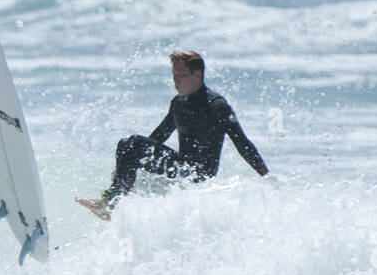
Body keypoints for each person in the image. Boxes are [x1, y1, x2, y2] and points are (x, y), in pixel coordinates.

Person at [76, 51, 268, 219]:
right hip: (182, 165)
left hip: (200, 174)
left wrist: (264, 175)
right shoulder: (178, 103)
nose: (176, 81)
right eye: (174, 76)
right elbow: (158, 136)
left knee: (135, 142)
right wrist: (125, 161)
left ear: (198, 74)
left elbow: (242, 142)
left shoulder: (217, 105)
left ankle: (112, 202)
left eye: (181, 76)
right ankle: (116, 198)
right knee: (126, 143)